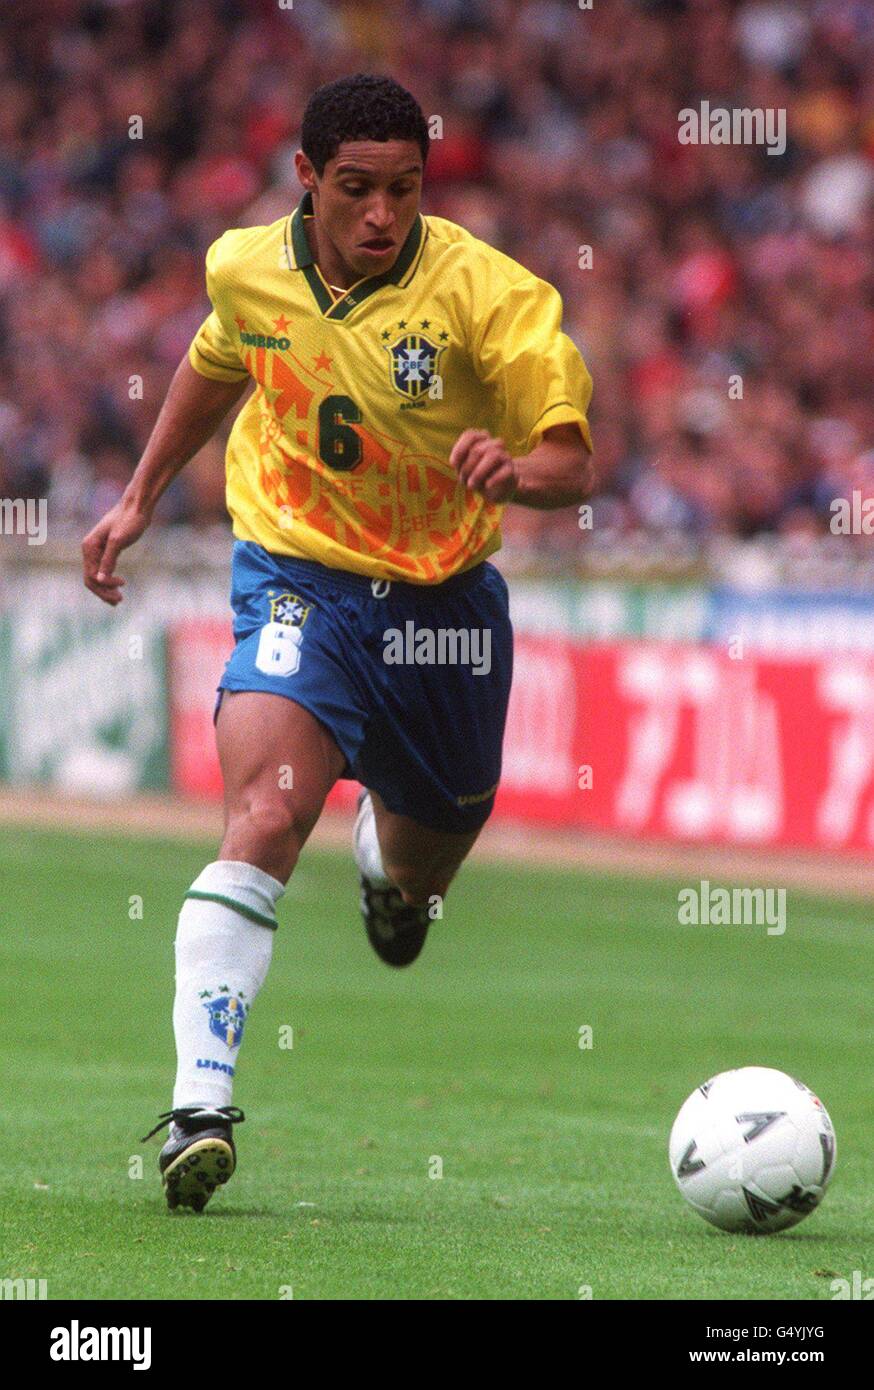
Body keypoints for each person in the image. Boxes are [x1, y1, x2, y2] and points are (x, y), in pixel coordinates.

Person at [82, 73, 595, 1212]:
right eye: (357, 188)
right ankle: (200, 1104)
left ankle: (389, 873)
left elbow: (573, 461)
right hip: (297, 574)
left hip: (442, 607)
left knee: (427, 858)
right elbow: (219, 358)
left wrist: (519, 472)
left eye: (404, 190)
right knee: (265, 813)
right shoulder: (245, 267)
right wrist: (139, 496)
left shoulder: (489, 296)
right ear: (307, 177)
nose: (381, 214)